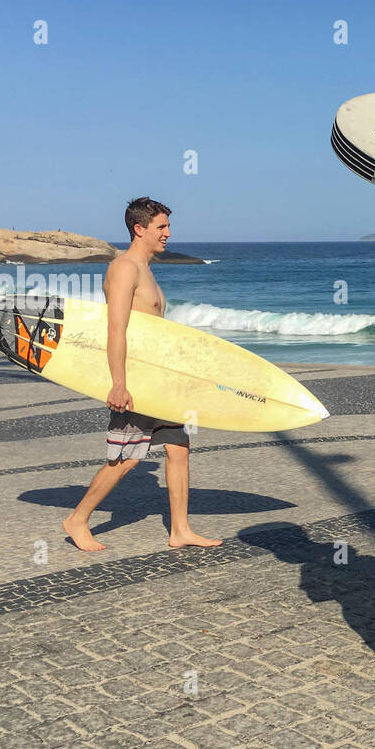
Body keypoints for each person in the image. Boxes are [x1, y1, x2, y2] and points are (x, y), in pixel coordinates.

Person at [61, 198, 222, 552]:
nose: (168, 233)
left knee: (179, 448)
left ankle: (180, 530)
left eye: (167, 226)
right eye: (161, 227)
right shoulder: (124, 268)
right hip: (136, 381)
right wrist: (119, 384)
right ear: (140, 229)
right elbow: (116, 329)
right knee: (125, 458)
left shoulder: (146, 269)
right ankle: (77, 519)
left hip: (159, 381)